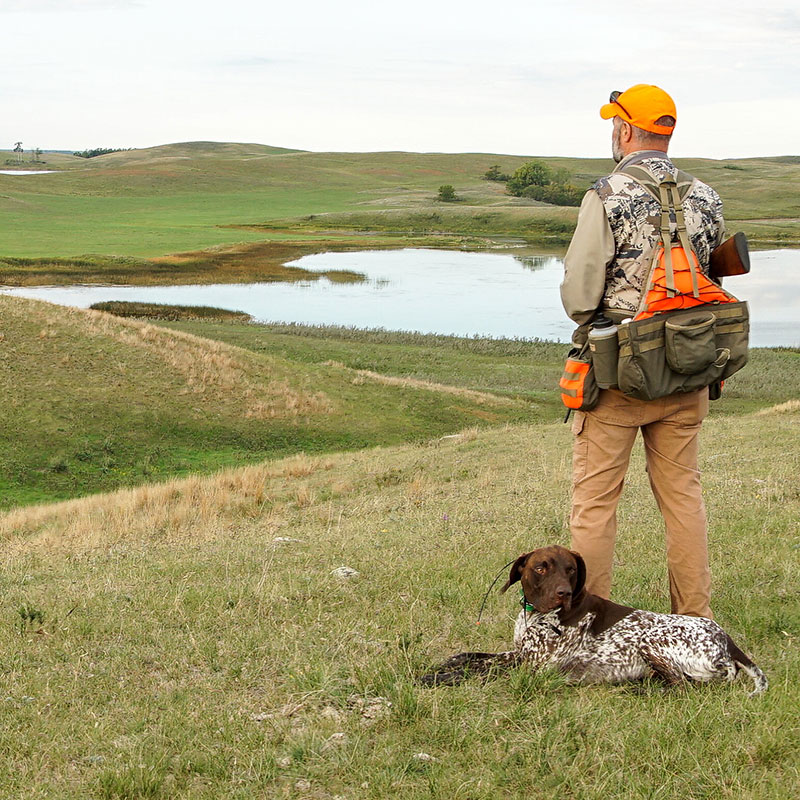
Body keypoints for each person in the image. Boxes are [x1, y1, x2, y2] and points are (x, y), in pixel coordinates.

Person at [560, 84, 725, 619]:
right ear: (667, 131)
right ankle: (694, 624)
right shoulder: (706, 196)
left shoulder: (606, 194)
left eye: (615, 123)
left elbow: (582, 295)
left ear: (625, 129)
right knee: (683, 500)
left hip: (617, 377)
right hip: (688, 373)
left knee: (595, 504)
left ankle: (587, 624)